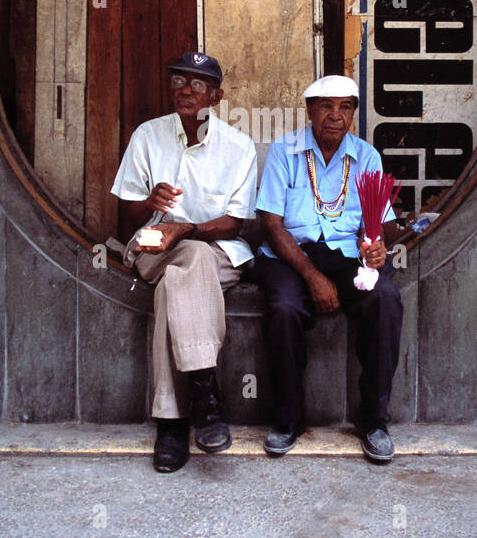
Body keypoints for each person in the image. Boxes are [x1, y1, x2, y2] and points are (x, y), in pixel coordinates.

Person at [110, 52, 258, 473]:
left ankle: (172, 423)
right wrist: (148, 205)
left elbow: (234, 223)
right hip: (155, 248)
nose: (185, 92)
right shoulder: (148, 136)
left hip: (216, 251)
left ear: (217, 95)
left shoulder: (238, 146)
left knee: (182, 276)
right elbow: (126, 217)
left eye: (197, 85)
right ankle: (206, 399)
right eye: (178, 82)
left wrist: (187, 229)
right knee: (185, 263)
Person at [253, 74, 403, 463]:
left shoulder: (367, 156)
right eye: (326, 106)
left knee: (384, 298)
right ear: (309, 110)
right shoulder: (284, 152)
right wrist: (313, 276)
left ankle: (373, 421)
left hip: (345, 255)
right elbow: (270, 223)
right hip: (291, 257)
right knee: (284, 309)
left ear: (353, 113)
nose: (335, 116)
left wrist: (375, 244)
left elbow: (382, 224)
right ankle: (287, 420)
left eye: (346, 107)